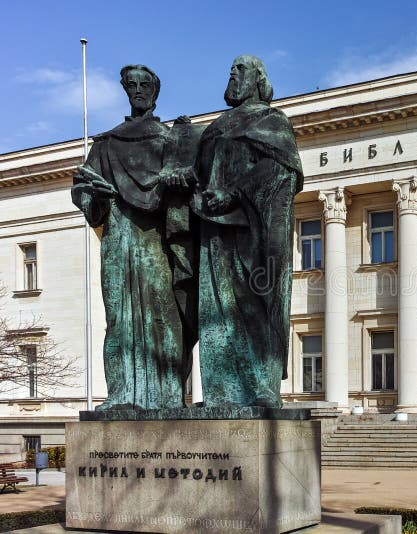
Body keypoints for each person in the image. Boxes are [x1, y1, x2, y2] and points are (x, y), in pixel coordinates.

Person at [71, 65, 197, 410]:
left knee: (162, 316)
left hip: (156, 240)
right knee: (119, 317)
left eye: (145, 85)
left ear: (155, 92)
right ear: (125, 90)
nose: (139, 90)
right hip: (118, 238)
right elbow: (82, 188)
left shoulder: (169, 140)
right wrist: (94, 196)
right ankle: (122, 395)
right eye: (132, 85)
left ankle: (167, 399)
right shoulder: (107, 144)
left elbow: (184, 188)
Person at [188, 54, 303, 407]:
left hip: (252, 230)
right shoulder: (214, 129)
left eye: (241, 70)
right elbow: (199, 171)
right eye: (231, 70)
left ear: (258, 79)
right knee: (216, 312)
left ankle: (261, 388)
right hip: (214, 230)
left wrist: (235, 193)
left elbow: (283, 171)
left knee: (256, 305)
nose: (233, 74)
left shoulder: (273, 121)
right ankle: (220, 392)